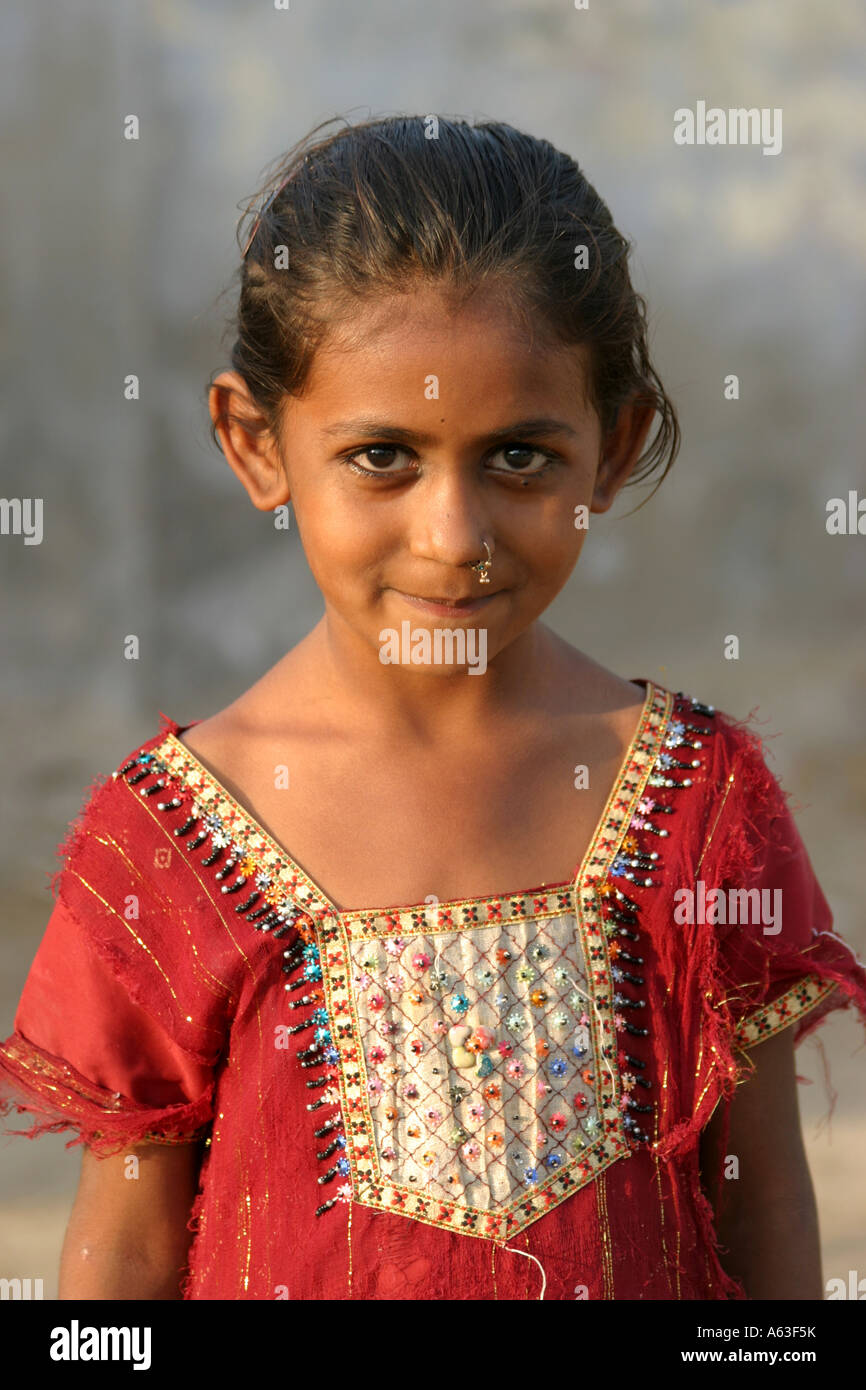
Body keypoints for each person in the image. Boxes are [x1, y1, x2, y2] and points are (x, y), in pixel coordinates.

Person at [1, 114, 864, 1302]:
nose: (451, 536)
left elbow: (759, 1201)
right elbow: (125, 1256)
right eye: (381, 458)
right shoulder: (166, 844)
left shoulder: (694, 797)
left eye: (518, 457)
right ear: (257, 445)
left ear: (613, 450)